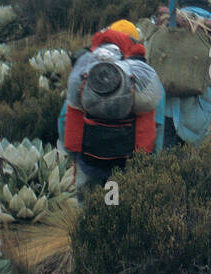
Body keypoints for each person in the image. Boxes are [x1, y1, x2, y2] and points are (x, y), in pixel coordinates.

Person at [58, 20, 165, 199]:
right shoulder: (142, 78)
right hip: (129, 163)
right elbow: (158, 122)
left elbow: (64, 119)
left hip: (89, 161)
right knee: (121, 209)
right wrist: (153, 160)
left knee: (90, 209)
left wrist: (74, 154)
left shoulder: (88, 73)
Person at [155, 0, 211, 149]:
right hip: (196, 115)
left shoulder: (170, 24)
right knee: (188, 167)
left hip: (165, 115)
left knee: (162, 169)